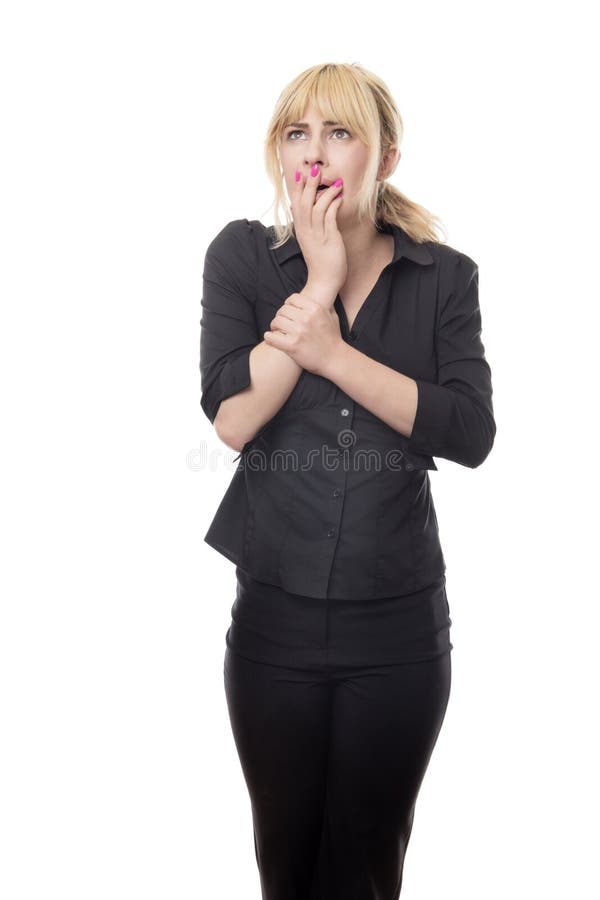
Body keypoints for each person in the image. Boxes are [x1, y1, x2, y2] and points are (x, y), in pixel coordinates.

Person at [199, 62, 496, 900]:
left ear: (385, 158)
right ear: (277, 154)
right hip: (273, 628)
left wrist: (334, 354)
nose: (315, 155)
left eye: (339, 133)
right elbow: (231, 420)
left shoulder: (445, 277)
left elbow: (471, 433)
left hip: (399, 633)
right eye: (297, 133)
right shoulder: (242, 258)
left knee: (365, 873)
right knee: (286, 869)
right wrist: (320, 283)